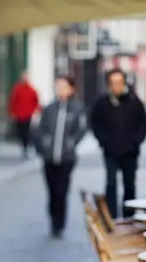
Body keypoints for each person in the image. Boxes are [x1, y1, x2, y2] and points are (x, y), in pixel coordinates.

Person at [31, 75, 87, 239]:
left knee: (62, 190)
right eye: (58, 86)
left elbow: (82, 129)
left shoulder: (76, 108)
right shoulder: (49, 108)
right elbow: (38, 129)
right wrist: (43, 144)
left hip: (67, 158)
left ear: (71, 89)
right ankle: (53, 218)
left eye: (64, 86)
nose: (60, 89)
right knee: (52, 190)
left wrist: (72, 142)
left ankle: (59, 224)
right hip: (49, 158)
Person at [90, 68, 146, 219]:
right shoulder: (102, 102)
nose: (116, 86)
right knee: (110, 184)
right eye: (113, 82)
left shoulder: (133, 101)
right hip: (110, 151)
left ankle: (129, 217)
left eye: (119, 82)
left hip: (130, 152)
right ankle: (112, 217)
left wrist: (135, 141)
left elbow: (143, 124)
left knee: (129, 185)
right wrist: (104, 141)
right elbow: (95, 123)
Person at [8, 71, 39, 158]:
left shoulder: (31, 89)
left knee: (27, 131)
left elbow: (36, 101)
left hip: (27, 114)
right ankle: (24, 146)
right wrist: (12, 113)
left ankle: (26, 147)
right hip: (19, 114)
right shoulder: (17, 88)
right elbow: (13, 101)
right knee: (21, 132)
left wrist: (35, 111)